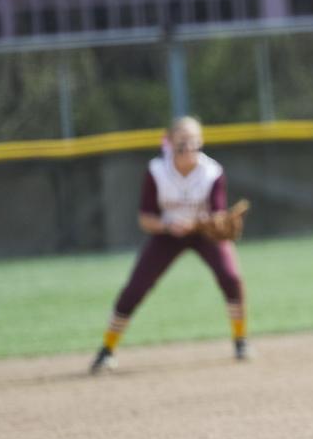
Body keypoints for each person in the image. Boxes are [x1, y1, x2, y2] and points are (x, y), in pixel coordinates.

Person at [89, 116, 250, 373]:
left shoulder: (212, 172)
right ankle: (107, 349)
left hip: (203, 233)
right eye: (182, 140)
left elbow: (217, 214)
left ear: (201, 141)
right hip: (166, 234)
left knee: (231, 277)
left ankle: (241, 341)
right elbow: (145, 219)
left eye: (194, 139)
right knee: (135, 288)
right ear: (170, 141)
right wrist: (168, 226)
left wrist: (211, 222)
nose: (188, 145)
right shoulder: (157, 171)